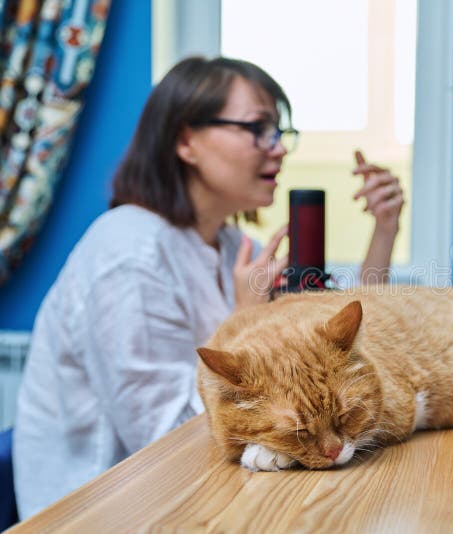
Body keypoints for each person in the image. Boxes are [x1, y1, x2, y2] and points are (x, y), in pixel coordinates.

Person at [12, 57, 405, 519]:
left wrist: (384, 231)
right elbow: (163, 437)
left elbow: (336, 359)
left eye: (280, 133)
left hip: (204, 496)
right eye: (259, 128)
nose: (278, 149)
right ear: (185, 140)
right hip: (109, 511)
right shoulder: (127, 255)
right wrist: (243, 319)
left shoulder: (232, 245)